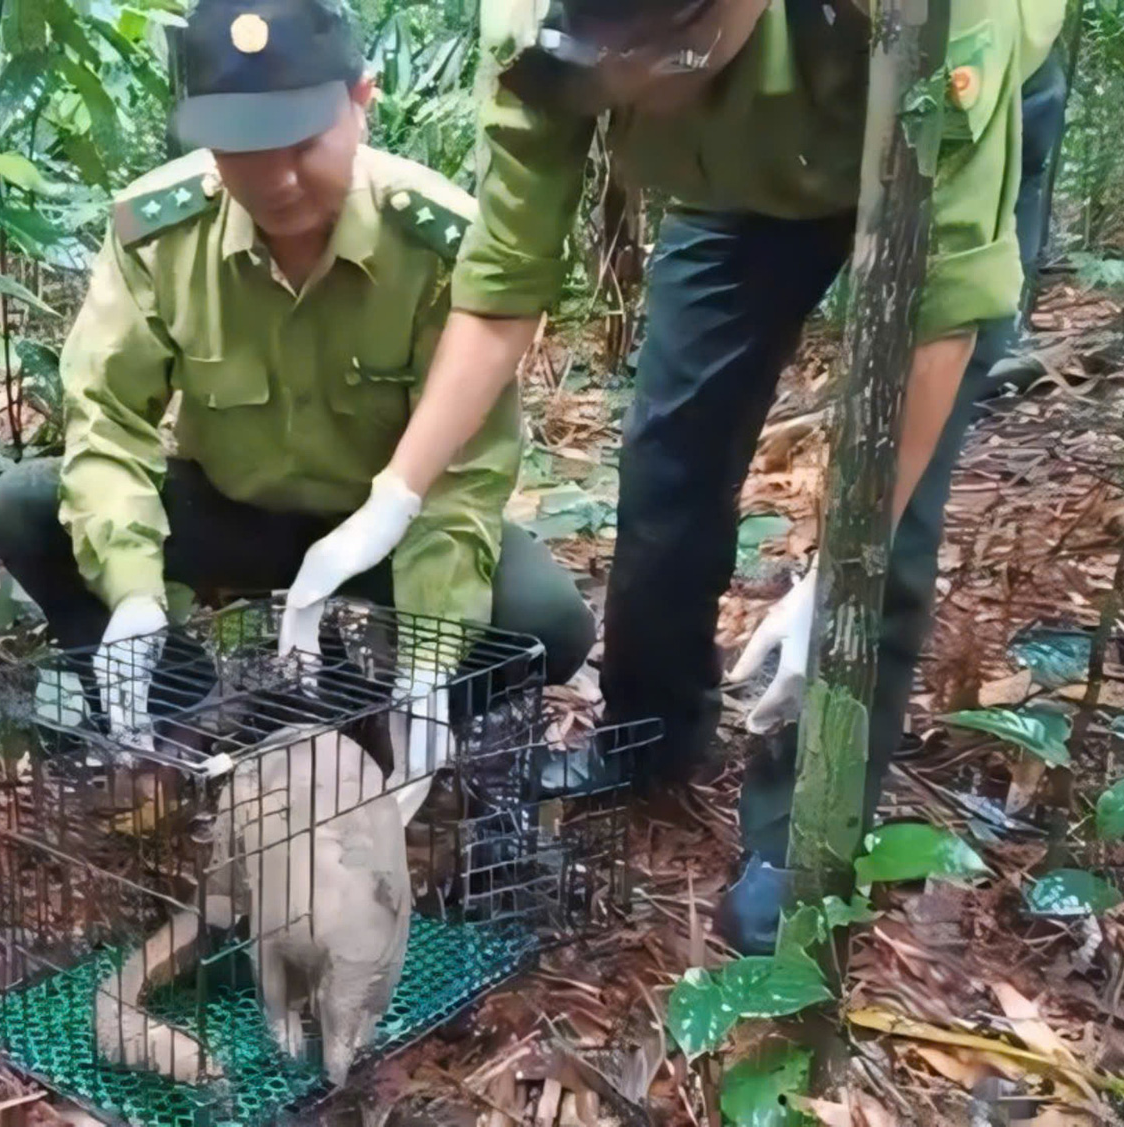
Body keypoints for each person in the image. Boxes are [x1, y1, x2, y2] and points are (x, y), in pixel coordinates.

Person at [279, 0, 1068, 953]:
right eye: (607, 59)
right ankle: (650, 730)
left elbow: (935, 324)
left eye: (659, 54)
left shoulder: (940, 20)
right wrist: (396, 494)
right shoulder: (536, 27)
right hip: (734, 187)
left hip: (916, 129)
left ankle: (803, 831)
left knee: (886, 518)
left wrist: (836, 576)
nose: (632, 83)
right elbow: (501, 287)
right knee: (668, 458)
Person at [0, 0, 597, 768]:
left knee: (547, 621)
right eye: (241, 147)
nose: (274, 178)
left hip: (380, 528)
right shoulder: (160, 234)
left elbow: (462, 472)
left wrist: (431, 654)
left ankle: (381, 718)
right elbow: (108, 419)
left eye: (302, 143)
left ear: (362, 103)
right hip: (233, 512)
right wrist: (136, 592)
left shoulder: (439, 244)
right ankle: (177, 706)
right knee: (29, 507)